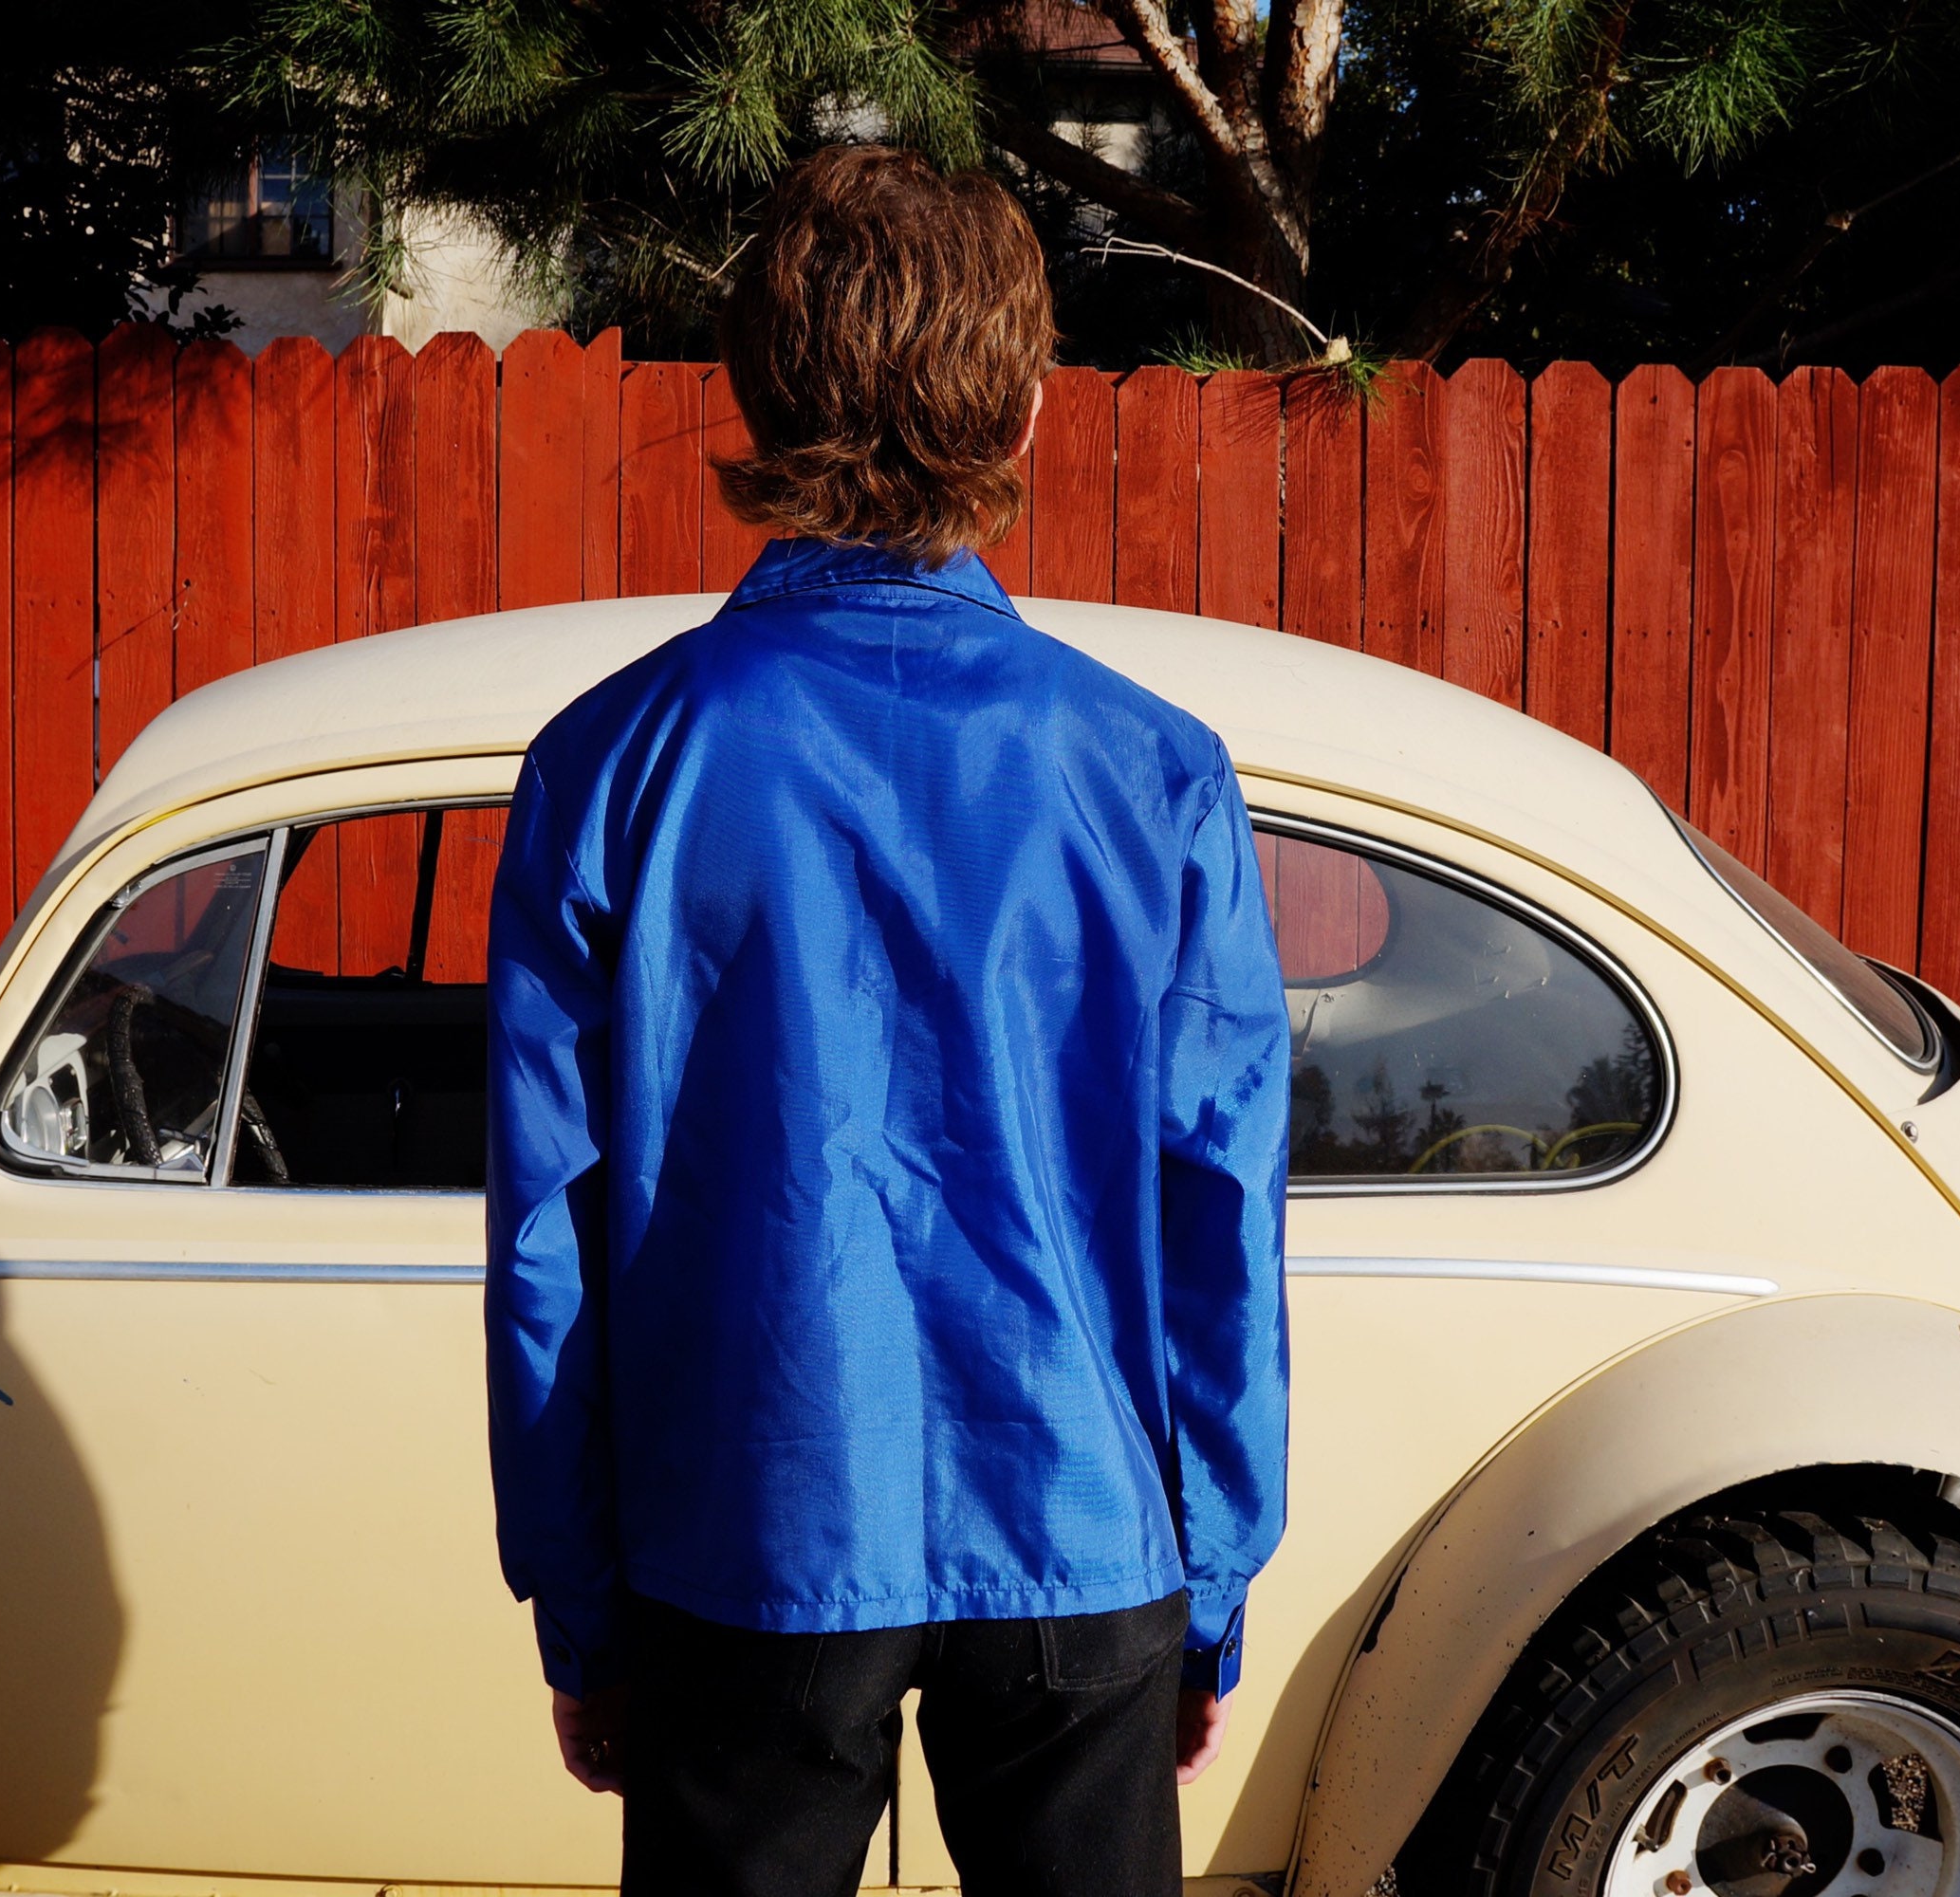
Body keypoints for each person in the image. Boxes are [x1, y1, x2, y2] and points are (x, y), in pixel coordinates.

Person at [484, 141, 1292, 1897]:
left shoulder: (615, 763)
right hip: (1081, 1523)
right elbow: (1219, 1203)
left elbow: (549, 1225)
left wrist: (581, 1603)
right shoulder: (1154, 772)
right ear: (1027, 410)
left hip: (744, 1536)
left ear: (756, 396)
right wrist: (1210, 1584)